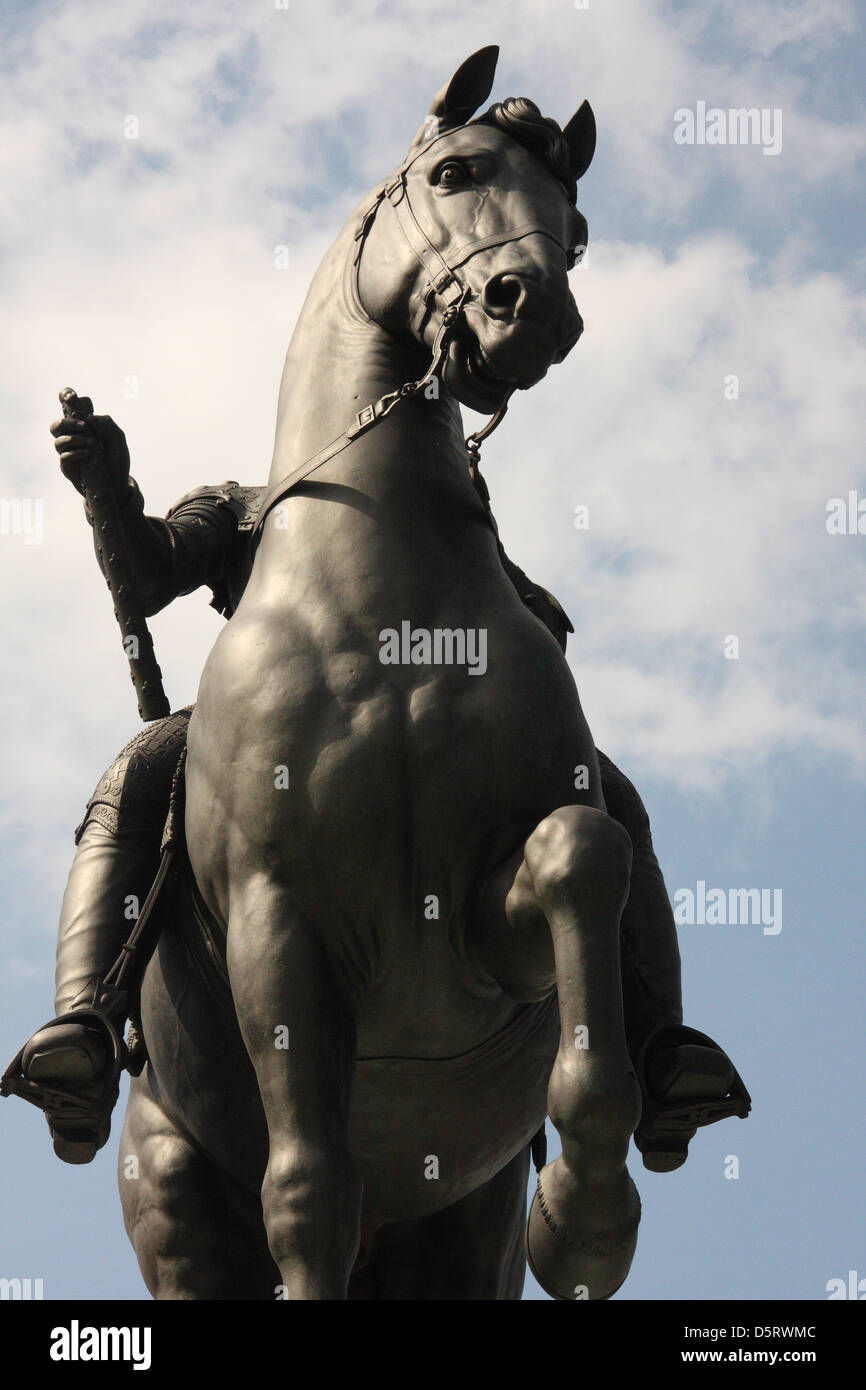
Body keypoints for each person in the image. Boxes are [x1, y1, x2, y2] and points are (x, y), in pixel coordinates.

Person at [4, 410, 748, 1169]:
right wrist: (114, 491)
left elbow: (538, 653)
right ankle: (88, 1022)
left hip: (452, 747)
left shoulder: (468, 538)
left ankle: (656, 1046)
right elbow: (151, 569)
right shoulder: (243, 508)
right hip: (268, 737)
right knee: (145, 764)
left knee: (606, 795)